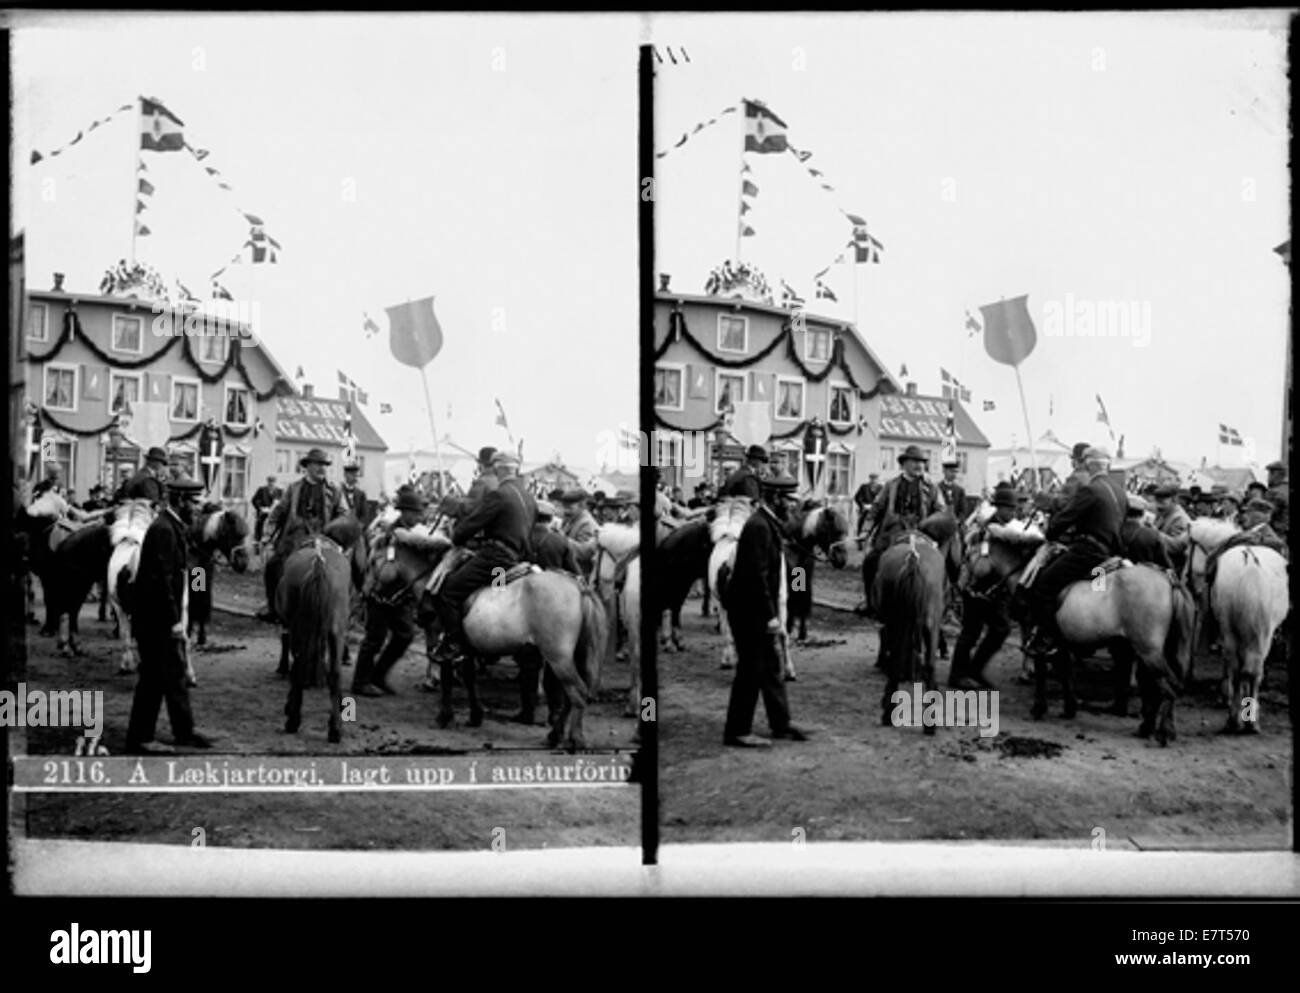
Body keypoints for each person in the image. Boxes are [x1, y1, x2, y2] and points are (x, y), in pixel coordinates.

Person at [124, 475, 214, 753]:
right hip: (156, 618)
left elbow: (185, 572)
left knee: (175, 675)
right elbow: (161, 579)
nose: (197, 509)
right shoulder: (164, 529)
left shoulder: (174, 526)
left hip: (161, 615)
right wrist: (175, 620)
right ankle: (140, 738)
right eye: (193, 503)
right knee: (153, 678)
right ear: (180, 500)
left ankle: (184, 731)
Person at [722, 470, 808, 747]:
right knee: (750, 670)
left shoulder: (768, 523)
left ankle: (780, 723)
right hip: (749, 611)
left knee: (771, 667)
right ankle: (737, 731)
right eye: (789, 500)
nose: (792, 505)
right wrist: (771, 616)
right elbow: (756, 576)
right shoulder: (759, 526)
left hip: (755, 608)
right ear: (776, 498)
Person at [429, 451, 536, 668]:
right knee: (495, 593)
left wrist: (457, 535)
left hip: (493, 559)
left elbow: (474, 522)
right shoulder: (528, 497)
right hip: (513, 559)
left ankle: (454, 645)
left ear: (498, 468)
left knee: (448, 592)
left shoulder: (499, 494)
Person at [1024, 447, 1125, 658]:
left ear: (1088, 465)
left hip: (1086, 552)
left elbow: (1067, 517)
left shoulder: (1090, 489)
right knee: (1096, 589)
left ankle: (1047, 638)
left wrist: (1051, 532)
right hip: (1108, 554)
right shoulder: (1119, 490)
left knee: (1044, 585)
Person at [351, 489, 443, 698]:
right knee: (374, 639)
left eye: (420, 513)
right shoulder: (391, 536)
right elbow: (386, 572)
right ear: (405, 513)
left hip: (401, 598)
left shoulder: (416, 533)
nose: (419, 517)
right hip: (380, 594)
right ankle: (360, 682)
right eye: (416, 513)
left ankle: (378, 676)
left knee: (405, 636)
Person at [257, 448, 347, 622]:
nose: (322, 468)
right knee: (273, 567)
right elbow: (277, 514)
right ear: (308, 466)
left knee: (345, 568)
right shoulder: (294, 488)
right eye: (318, 464)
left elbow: (344, 514)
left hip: (324, 537)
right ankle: (273, 607)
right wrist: (267, 536)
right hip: (295, 537)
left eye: (325, 465)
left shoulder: (334, 490)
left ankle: (343, 610)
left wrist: (337, 532)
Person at [858, 445, 946, 615]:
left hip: (922, 531)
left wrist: (932, 524)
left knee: (943, 561)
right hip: (894, 530)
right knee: (871, 561)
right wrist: (865, 531)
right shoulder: (891, 485)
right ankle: (871, 602)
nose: (919, 465)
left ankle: (943, 602)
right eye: (915, 461)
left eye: (922, 462)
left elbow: (941, 510)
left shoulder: (932, 487)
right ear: (904, 464)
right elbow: (876, 509)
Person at [949, 483, 1020, 690]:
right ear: (999, 508)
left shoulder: (1012, 528)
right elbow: (980, 566)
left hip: (999, 590)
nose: (1013, 512)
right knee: (971, 632)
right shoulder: (986, 530)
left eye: (1014, 508)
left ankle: (975, 670)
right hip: (978, 589)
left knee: (1001, 629)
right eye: (1009, 508)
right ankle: (957, 675)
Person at [515, 499, 579, 725]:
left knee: (527, 662)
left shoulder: (520, 540)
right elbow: (576, 575)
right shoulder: (560, 541)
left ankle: (527, 711)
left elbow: (501, 573)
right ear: (551, 519)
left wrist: (498, 587)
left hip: (525, 609)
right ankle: (555, 711)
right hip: (556, 608)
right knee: (555, 661)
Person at [1120, 494, 1172, 569]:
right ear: (1142, 514)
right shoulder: (1152, 535)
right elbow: (1166, 566)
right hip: (1143, 574)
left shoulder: (1114, 529)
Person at [1151, 483, 1192, 578]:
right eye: (1157, 502)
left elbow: (1176, 547)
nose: (1158, 506)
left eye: (1163, 503)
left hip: (1172, 570)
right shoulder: (1164, 513)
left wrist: (1153, 533)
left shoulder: (1180, 519)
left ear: (1174, 500)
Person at [560, 488, 600, 573]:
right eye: (564, 507)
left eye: (570, 508)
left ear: (581, 506)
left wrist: (560, 538)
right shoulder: (573, 519)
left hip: (580, 573)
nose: (566, 511)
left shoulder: (587, 524)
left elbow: (583, 553)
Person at [251, 474, 282, 550]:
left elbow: (283, 503)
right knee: (259, 528)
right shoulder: (261, 490)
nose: (271, 484)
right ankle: (257, 545)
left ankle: (273, 544)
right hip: (263, 514)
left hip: (274, 516)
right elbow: (254, 500)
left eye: (273, 482)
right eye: (269, 482)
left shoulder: (280, 491)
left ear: (275, 482)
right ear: (267, 482)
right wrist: (260, 508)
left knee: (276, 528)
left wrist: (276, 507)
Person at [339, 460, 372, 527]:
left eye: (355, 474)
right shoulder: (338, 491)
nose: (354, 477)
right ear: (345, 474)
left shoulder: (361, 494)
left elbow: (365, 514)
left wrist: (360, 526)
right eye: (351, 474)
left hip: (355, 528)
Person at [852, 472, 883, 540]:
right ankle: (860, 538)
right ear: (869, 479)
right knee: (862, 523)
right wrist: (863, 505)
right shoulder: (864, 487)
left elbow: (883, 499)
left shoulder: (881, 488)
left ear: (878, 480)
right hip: (865, 510)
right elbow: (857, 497)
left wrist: (876, 506)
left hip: (876, 511)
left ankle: (875, 538)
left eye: (875, 479)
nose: (873, 481)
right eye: (872, 479)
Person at [938, 459, 967, 524]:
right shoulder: (937, 488)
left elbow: (963, 511)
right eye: (951, 471)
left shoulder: (960, 490)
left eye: (956, 472)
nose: (954, 474)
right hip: (939, 524)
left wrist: (958, 521)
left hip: (955, 525)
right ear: (944, 471)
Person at [1265, 460, 1288, 539]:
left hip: (1276, 533)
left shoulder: (1274, 492)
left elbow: (1266, 514)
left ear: (1276, 474)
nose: (1267, 478)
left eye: (1270, 474)